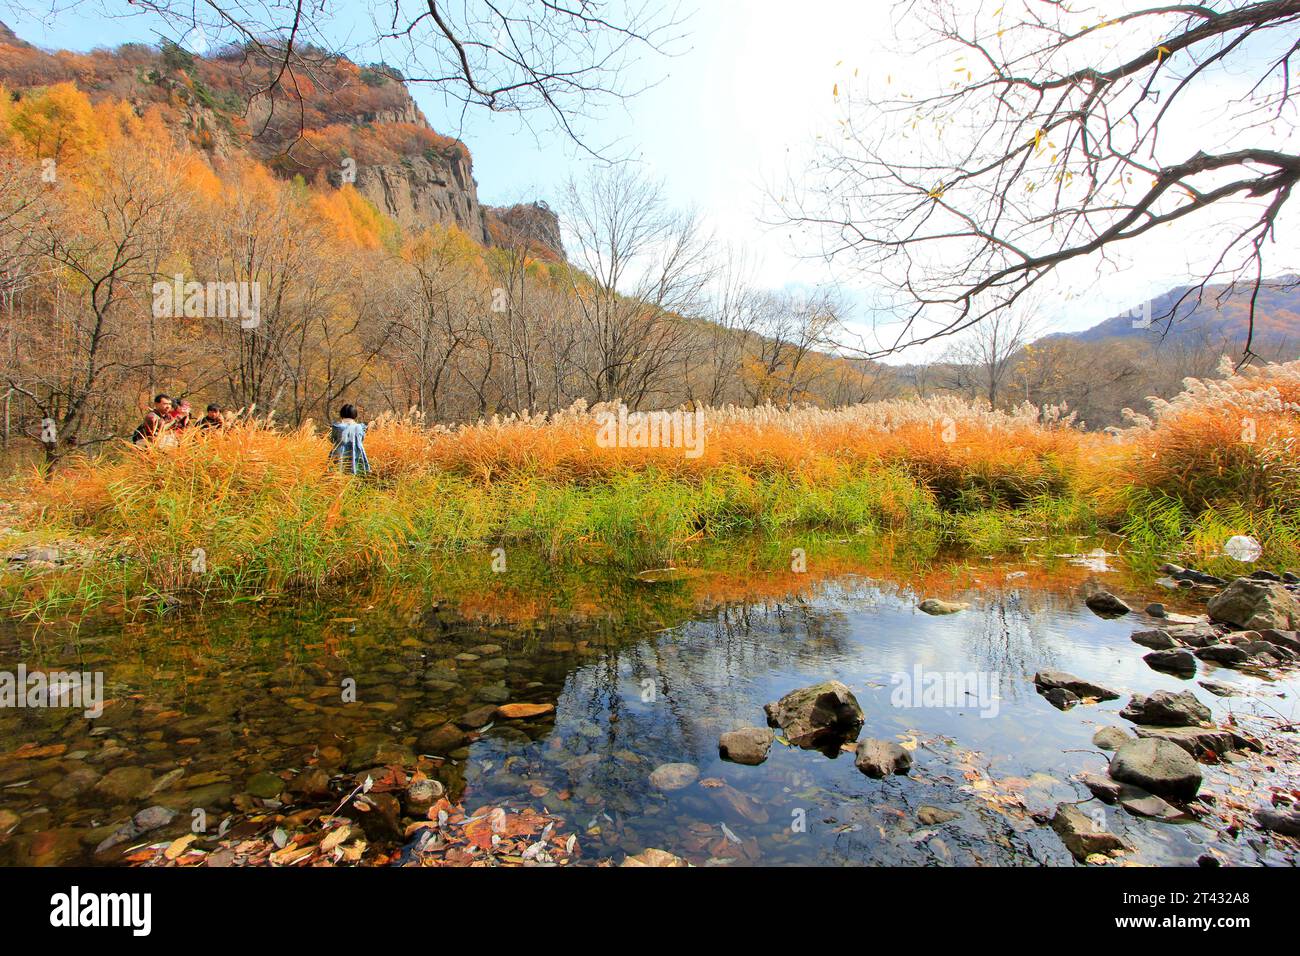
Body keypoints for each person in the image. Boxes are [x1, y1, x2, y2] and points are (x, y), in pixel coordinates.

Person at [329, 403, 370, 475]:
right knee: (357, 473)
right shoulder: (360, 427)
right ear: (354, 414)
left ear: (341, 414)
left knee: (337, 473)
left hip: (340, 453)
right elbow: (362, 439)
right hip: (356, 452)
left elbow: (332, 439)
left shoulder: (337, 427)